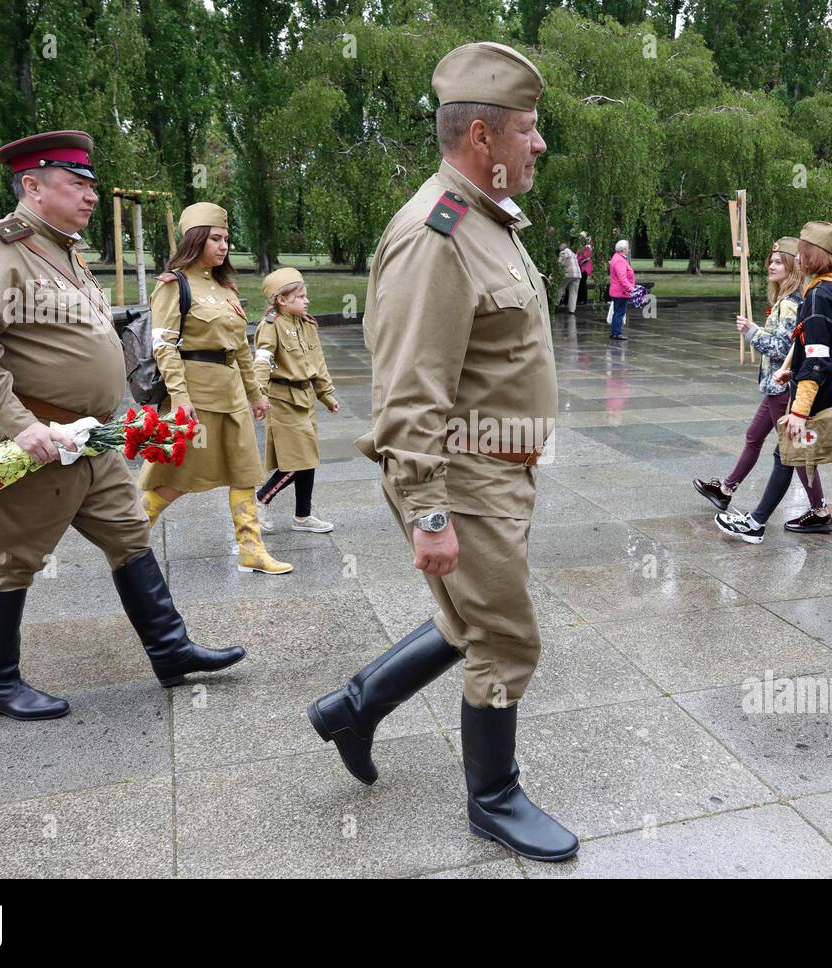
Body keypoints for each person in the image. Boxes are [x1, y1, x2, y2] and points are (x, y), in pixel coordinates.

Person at [306, 41, 578, 862]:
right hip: (463, 475)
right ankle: (493, 798)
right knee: (504, 637)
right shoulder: (440, 232)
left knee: (467, 621)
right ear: (483, 140)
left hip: (497, 466)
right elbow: (411, 391)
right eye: (528, 131)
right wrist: (429, 509)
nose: (539, 146)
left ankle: (353, 708)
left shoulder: (484, 219)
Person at [0, 130, 244, 720]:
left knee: (129, 535)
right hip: (35, 443)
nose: (89, 196)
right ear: (32, 186)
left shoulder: (68, 250)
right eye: (76, 184)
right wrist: (19, 427)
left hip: (90, 439)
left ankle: (170, 650)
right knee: (10, 560)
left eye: (90, 185)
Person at [714, 220, 832, 562]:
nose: (797, 258)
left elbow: (818, 360)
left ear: (814, 255)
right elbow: (821, 346)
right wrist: (791, 369)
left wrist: (799, 410)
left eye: (801, 251)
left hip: (822, 397)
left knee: (802, 457)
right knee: (805, 458)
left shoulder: (817, 295)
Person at [138, 202, 290, 576]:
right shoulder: (175, 285)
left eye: (226, 239)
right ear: (196, 239)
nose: (224, 246)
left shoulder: (224, 287)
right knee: (178, 478)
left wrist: (255, 395)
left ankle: (251, 550)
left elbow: (240, 347)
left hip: (232, 395)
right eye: (216, 238)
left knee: (244, 473)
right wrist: (181, 398)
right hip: (196, 395)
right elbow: (164, 345)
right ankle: (129, 539)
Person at [692, 237, 831, 533]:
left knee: (795, 453)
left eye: (779, 262)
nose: (771, 265)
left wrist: (752, 332)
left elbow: (784, 349)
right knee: (755, 436)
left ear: (793, 267)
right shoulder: (782, 301)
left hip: (784, 390)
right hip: (774, 387)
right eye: (771, 261)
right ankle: (726, 489)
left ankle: (819, 511)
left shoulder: (792, 305)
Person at [252, 267, 340, 534]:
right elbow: (262, 362)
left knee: (308, 458)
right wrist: (259, 395)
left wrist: (327, 394)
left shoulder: (307, 325)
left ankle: (303, 516)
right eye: (300, 296)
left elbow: (318, 363)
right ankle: (260, 499)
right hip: (282, 401)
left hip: (304, 399)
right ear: (282, 300)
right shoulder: (271, 326)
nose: (306, 301)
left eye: (305, 295)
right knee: (297, 461)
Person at [608, 238, 635, 340]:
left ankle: (615, 332)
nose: (629, 249)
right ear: (623, 249)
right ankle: (616, 333)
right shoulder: (620, 260)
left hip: (618, 291)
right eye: (628, 248)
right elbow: (622, 278)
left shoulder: (617, 257)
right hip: (621, 292)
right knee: (619, 313)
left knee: (617, 312)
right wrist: (631, 289)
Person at [557, 241, 581, 314]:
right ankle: (572, 310)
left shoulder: (563, 253)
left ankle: (554, 305)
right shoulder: (573, 254)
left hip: (568, 274)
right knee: (574, 292)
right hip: (577, 274)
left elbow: (559, 264)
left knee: (560, 288)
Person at [576, 232, 593, 307]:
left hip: (584, 268)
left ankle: (583, 300)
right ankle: (580, 299)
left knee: (583, 283)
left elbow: (586, 257)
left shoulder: (587, 247)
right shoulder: (581, 247)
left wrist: (578, 259)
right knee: (581, 283)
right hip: (580, 267)